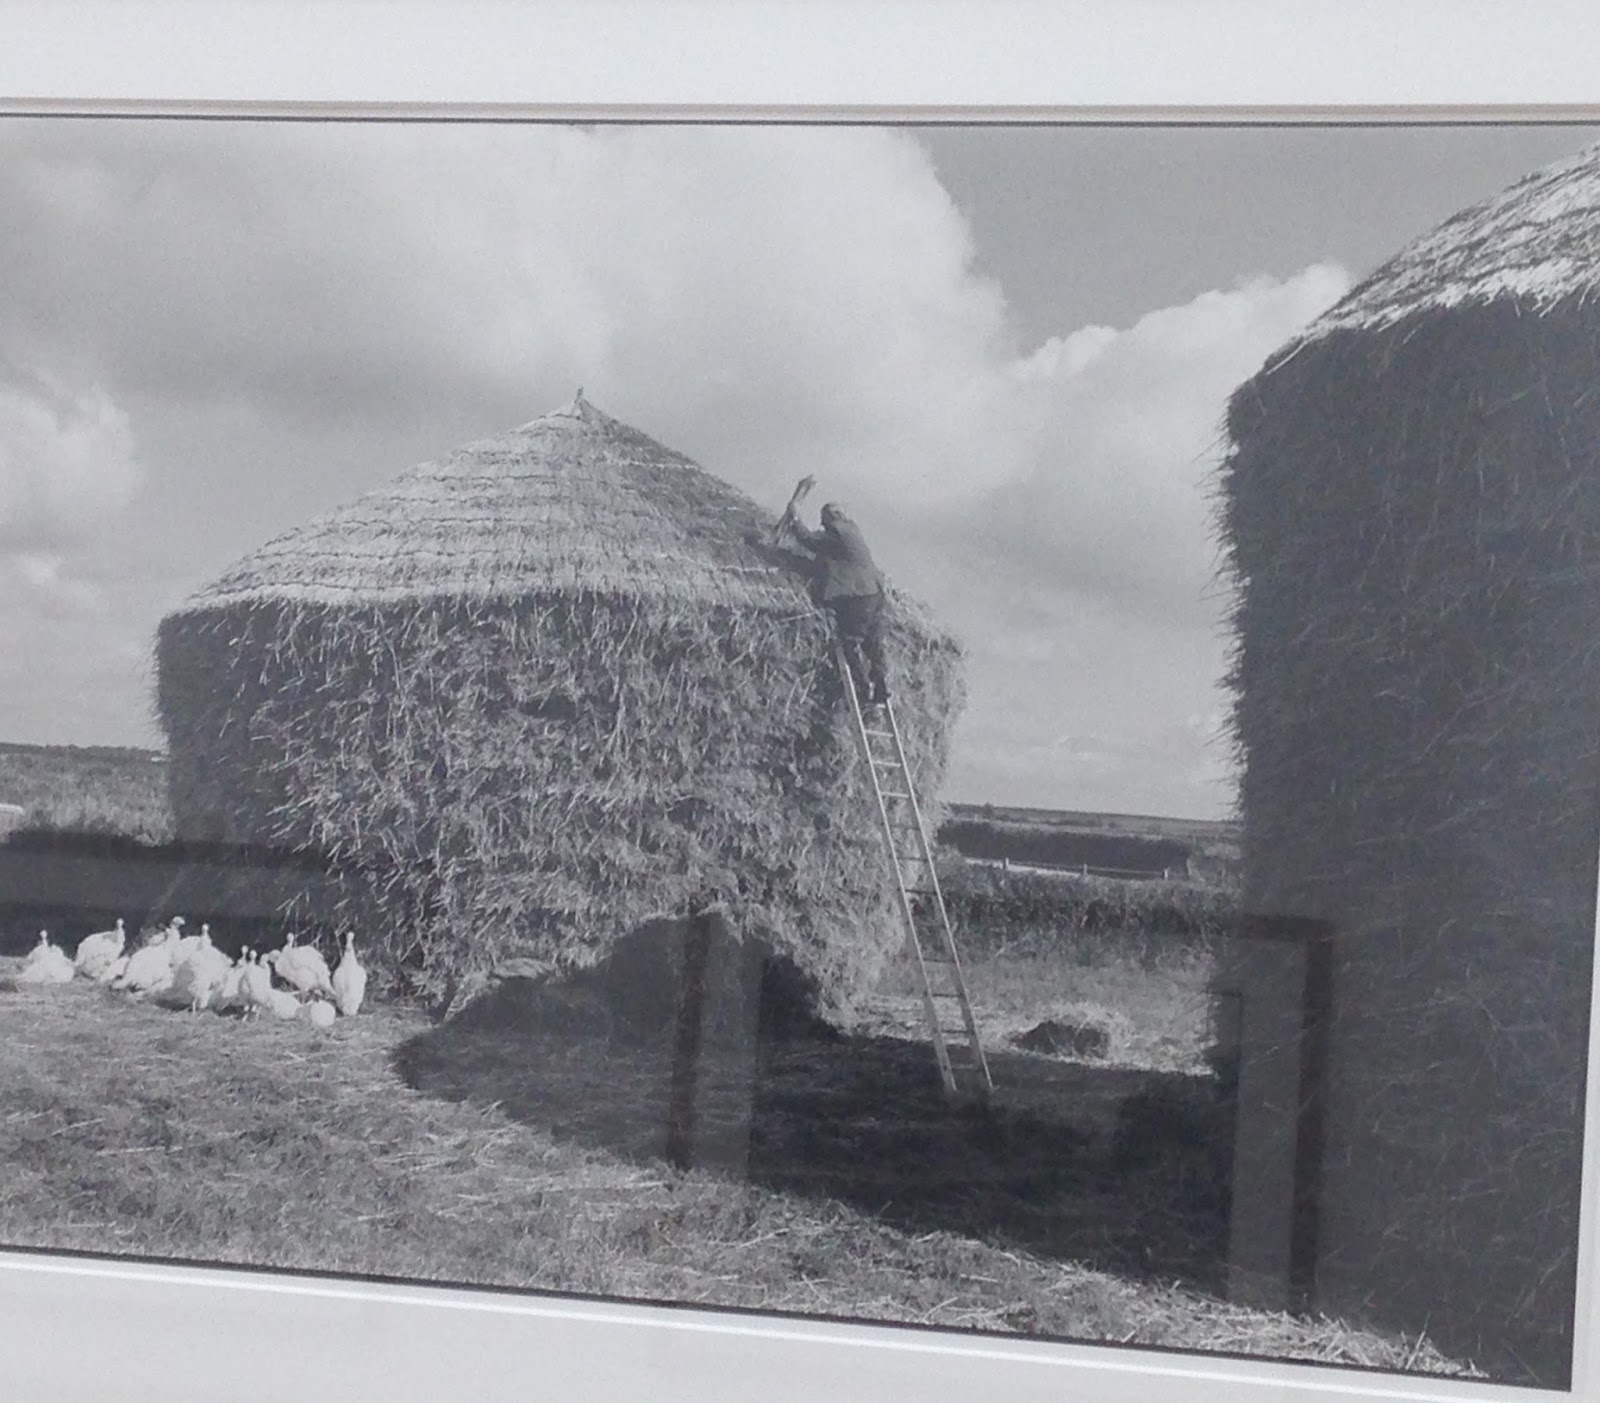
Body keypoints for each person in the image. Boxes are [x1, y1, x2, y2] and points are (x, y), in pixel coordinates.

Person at [777, 483, 892, 707]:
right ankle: (881, 686)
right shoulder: (853, 532)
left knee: (850, 641)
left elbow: (809, 540)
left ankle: (862, 688)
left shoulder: (838, 533)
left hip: (858, 595)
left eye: (824, 520)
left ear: (831, 518)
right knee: (873, 643)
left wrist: (795, 518)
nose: (823, 524)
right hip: (876, 594)